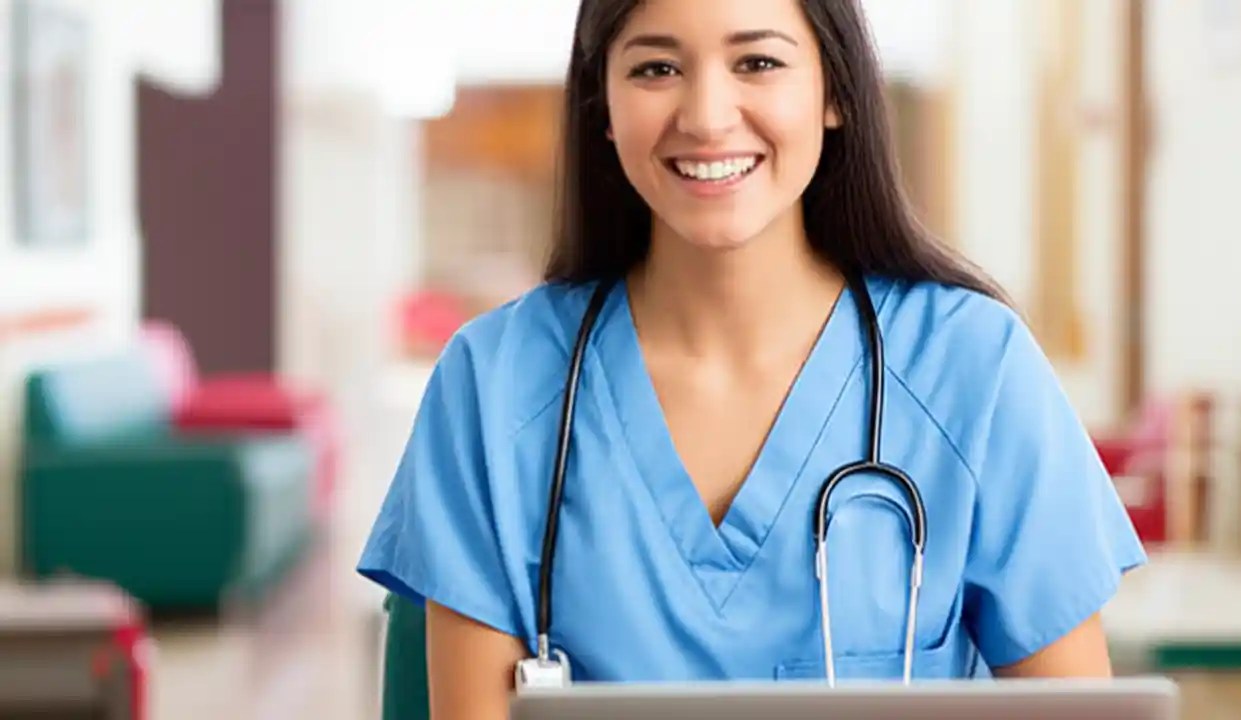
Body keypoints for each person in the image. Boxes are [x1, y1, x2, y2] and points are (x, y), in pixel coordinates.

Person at [357, 0, 1148, 717]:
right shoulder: (494, 385)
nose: (706, 116)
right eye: (656, 68)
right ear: (603, 104)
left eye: (758, 62)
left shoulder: (973, 367)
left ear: (835, 92)